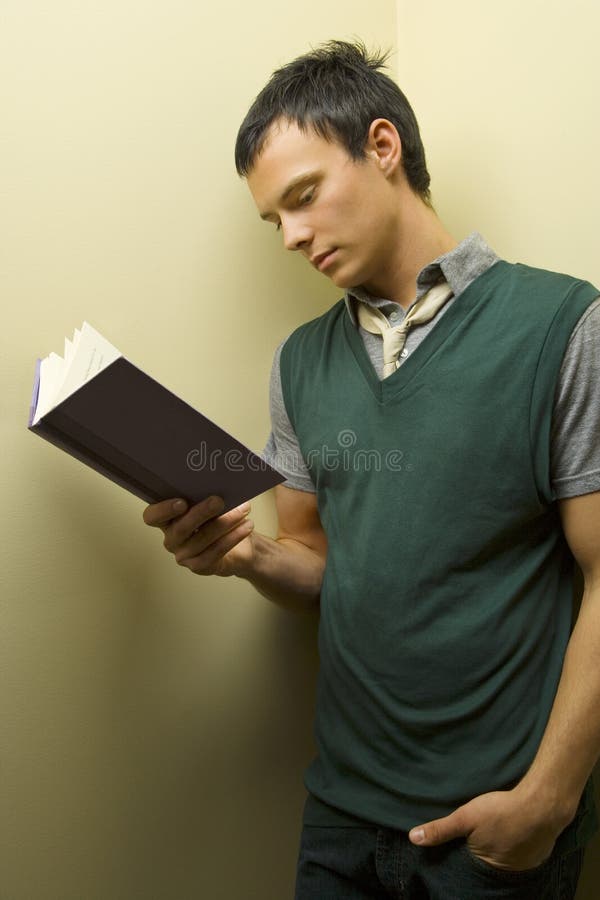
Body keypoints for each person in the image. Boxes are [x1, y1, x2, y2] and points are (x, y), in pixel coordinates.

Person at [143, 40, 600, 899]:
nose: (292, 237)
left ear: (383, 148)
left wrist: (546, 802)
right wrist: (245, 555)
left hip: (493, 826)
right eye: (273, 220)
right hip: (340, 818)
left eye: (303, 197)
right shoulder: (298, 363)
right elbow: (314, 561)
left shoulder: (565, 324)